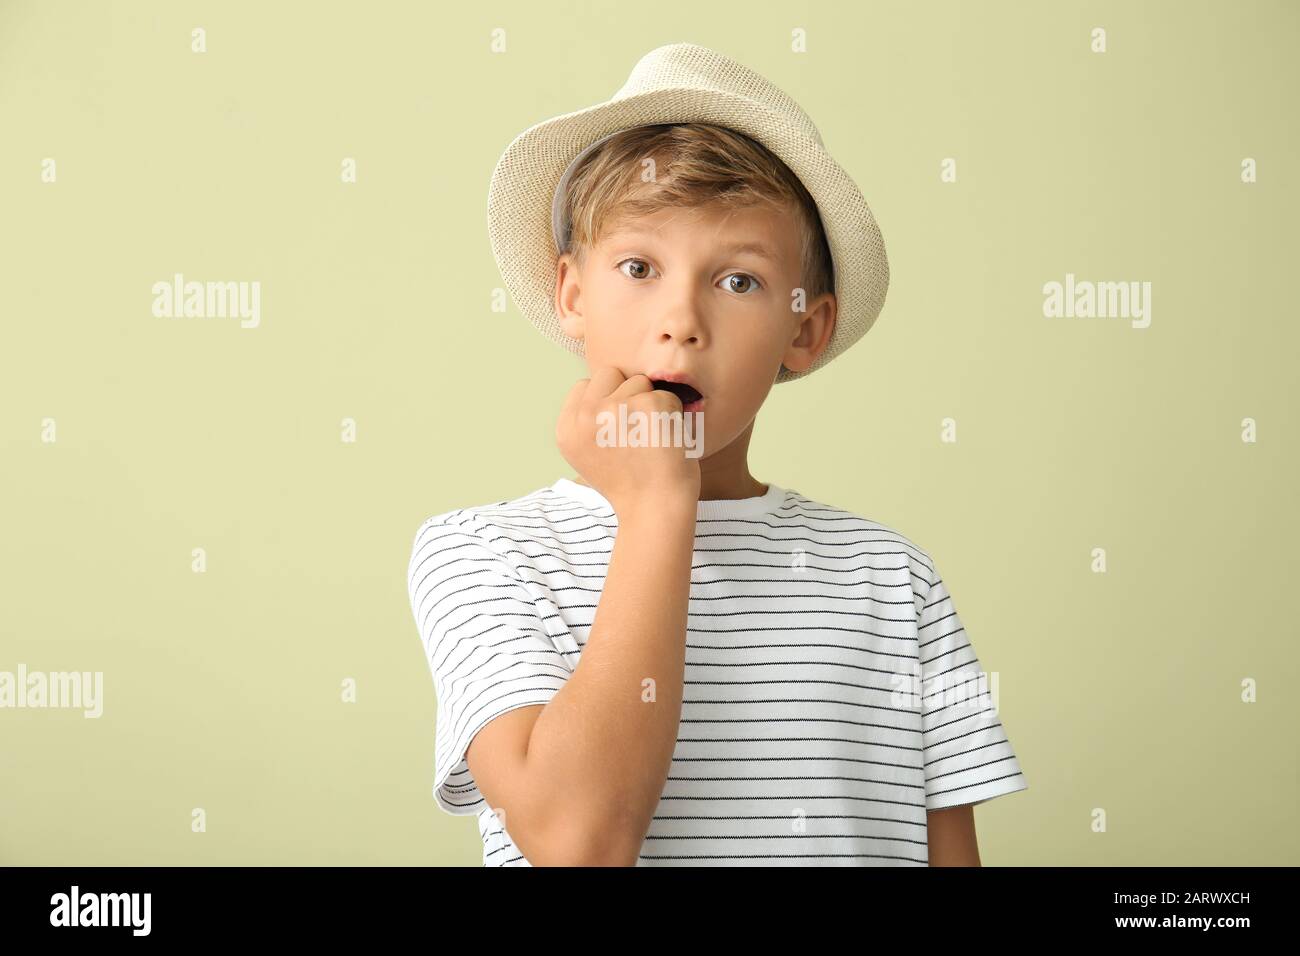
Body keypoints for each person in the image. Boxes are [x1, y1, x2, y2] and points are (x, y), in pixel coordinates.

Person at [407, 42, 1027, 866]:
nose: (682, 321)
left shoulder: (893, 580)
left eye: (738, 281)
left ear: (803, 330)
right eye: (638, 267)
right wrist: (659, 506)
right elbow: (577, 844)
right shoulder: (483, 555)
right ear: (573, 296)